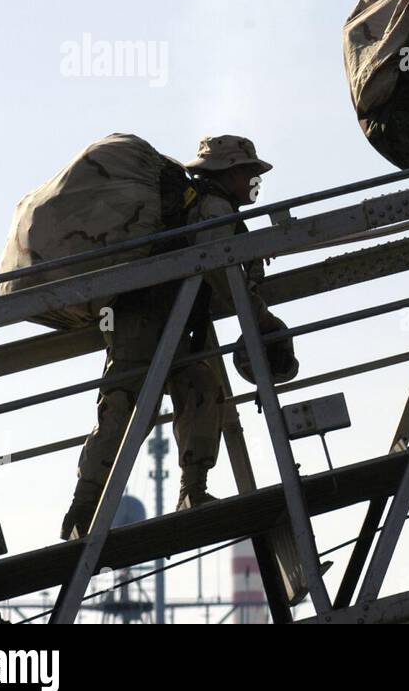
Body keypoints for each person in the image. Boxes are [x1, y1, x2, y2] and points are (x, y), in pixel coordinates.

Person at [60, 135, 286, 539]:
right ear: (227, 172)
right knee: (127, 407)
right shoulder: (212, 208)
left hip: (167, 323)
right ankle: (84, 507)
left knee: (199, 386)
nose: (254, 181)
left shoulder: (205, 204)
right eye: (248, 173)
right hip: (142, 320)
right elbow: (224, 270)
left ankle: (192, 491)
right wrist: (259, 317)